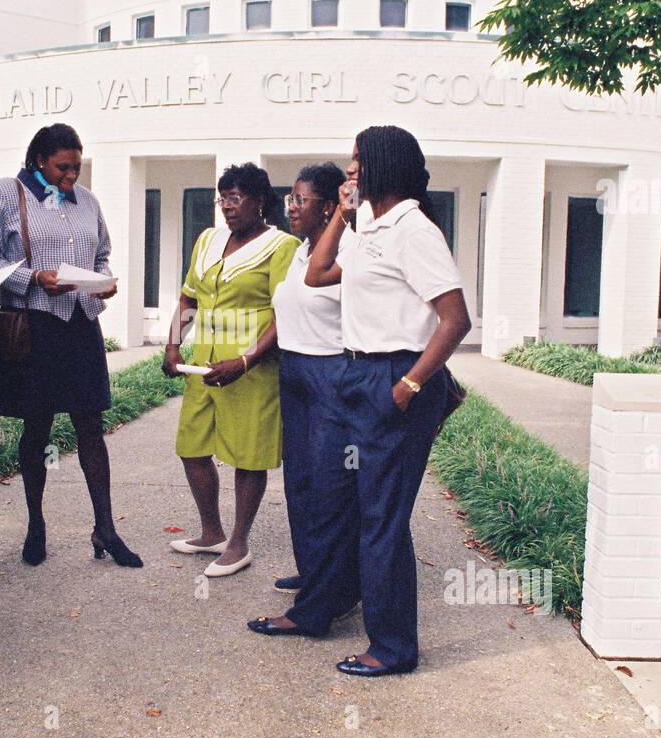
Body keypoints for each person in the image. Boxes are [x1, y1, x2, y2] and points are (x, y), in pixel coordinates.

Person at [296, 126, 471, 677]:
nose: (349, 173)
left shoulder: (413, 230)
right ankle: (322, 607)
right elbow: (317, 274)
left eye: (356, 163)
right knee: (340, 500)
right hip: (356, 371)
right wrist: (345, 218)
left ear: (382, 167)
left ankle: (393, 648)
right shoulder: (371, 227)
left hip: (394, 376)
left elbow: (455, 319)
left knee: (382, 519)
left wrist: (410, 385)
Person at [0, 123, 142, 568]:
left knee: (92, 426)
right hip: (34, 328)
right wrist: (31, 278)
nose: (72, 176)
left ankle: (105, 528)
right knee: (37, 429)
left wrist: (101, 283)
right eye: (62, 168)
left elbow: (101, 251)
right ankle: (35, 524)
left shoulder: (87, 201)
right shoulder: (4, 195)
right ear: (39, 162)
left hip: (80, 325)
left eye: (77, 167)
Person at [163, 163, 299, 577]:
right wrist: (172, 342)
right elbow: (189, 299)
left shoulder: (282, 246)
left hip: (251, 365)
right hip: (203, 361)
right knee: (192, 446)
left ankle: (239, 543)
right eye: (222, 199)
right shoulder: (207, 240)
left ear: (259, 201)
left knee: (248, 453)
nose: (227, 207)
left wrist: (245, 360)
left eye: (235, 198)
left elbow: (286, 313)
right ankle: (212, 532)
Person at [258, 163, 354, 613]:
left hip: (329, 372)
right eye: (289, 200)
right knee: (298, 478)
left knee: (328, 486)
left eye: (301, 200)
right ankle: (315, 568)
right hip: (293, 368)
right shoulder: (301, 250)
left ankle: (326, 597)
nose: (291, 208)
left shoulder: (348, 250)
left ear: (331, 207)